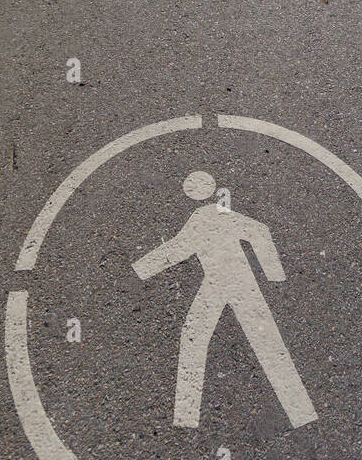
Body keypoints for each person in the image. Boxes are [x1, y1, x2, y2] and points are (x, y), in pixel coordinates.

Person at [133, 171, 317, 429]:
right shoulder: (213, 214)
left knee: (210, 336)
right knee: (246, 339)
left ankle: (186, 415)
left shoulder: (208, 215)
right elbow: (256, 231)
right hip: (220, 283)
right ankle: (301, 412)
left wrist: (274, 273)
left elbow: (180, 248)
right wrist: (273, 273)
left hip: (234, 281)